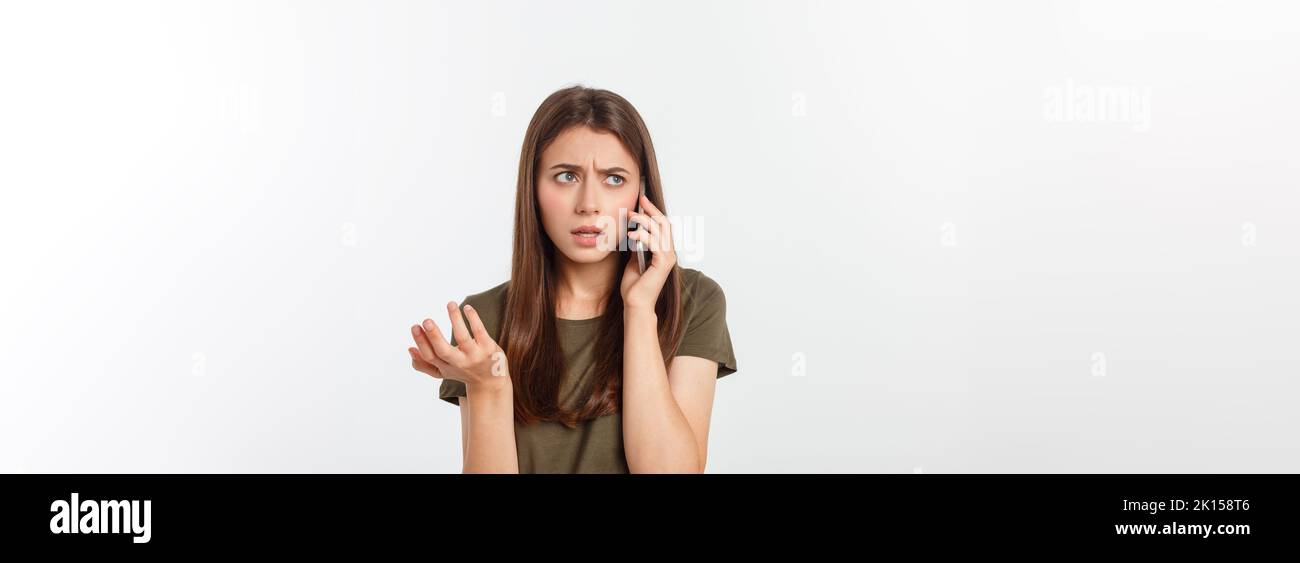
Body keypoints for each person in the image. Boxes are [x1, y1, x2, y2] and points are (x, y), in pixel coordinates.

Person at [406, 85, 737, 473]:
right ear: (532, 187)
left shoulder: (692, 299)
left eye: (614, 179)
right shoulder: (484, 318)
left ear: (641, 193)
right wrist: (487, 387)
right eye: (566, 176)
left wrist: (640, 309)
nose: (588, 204)